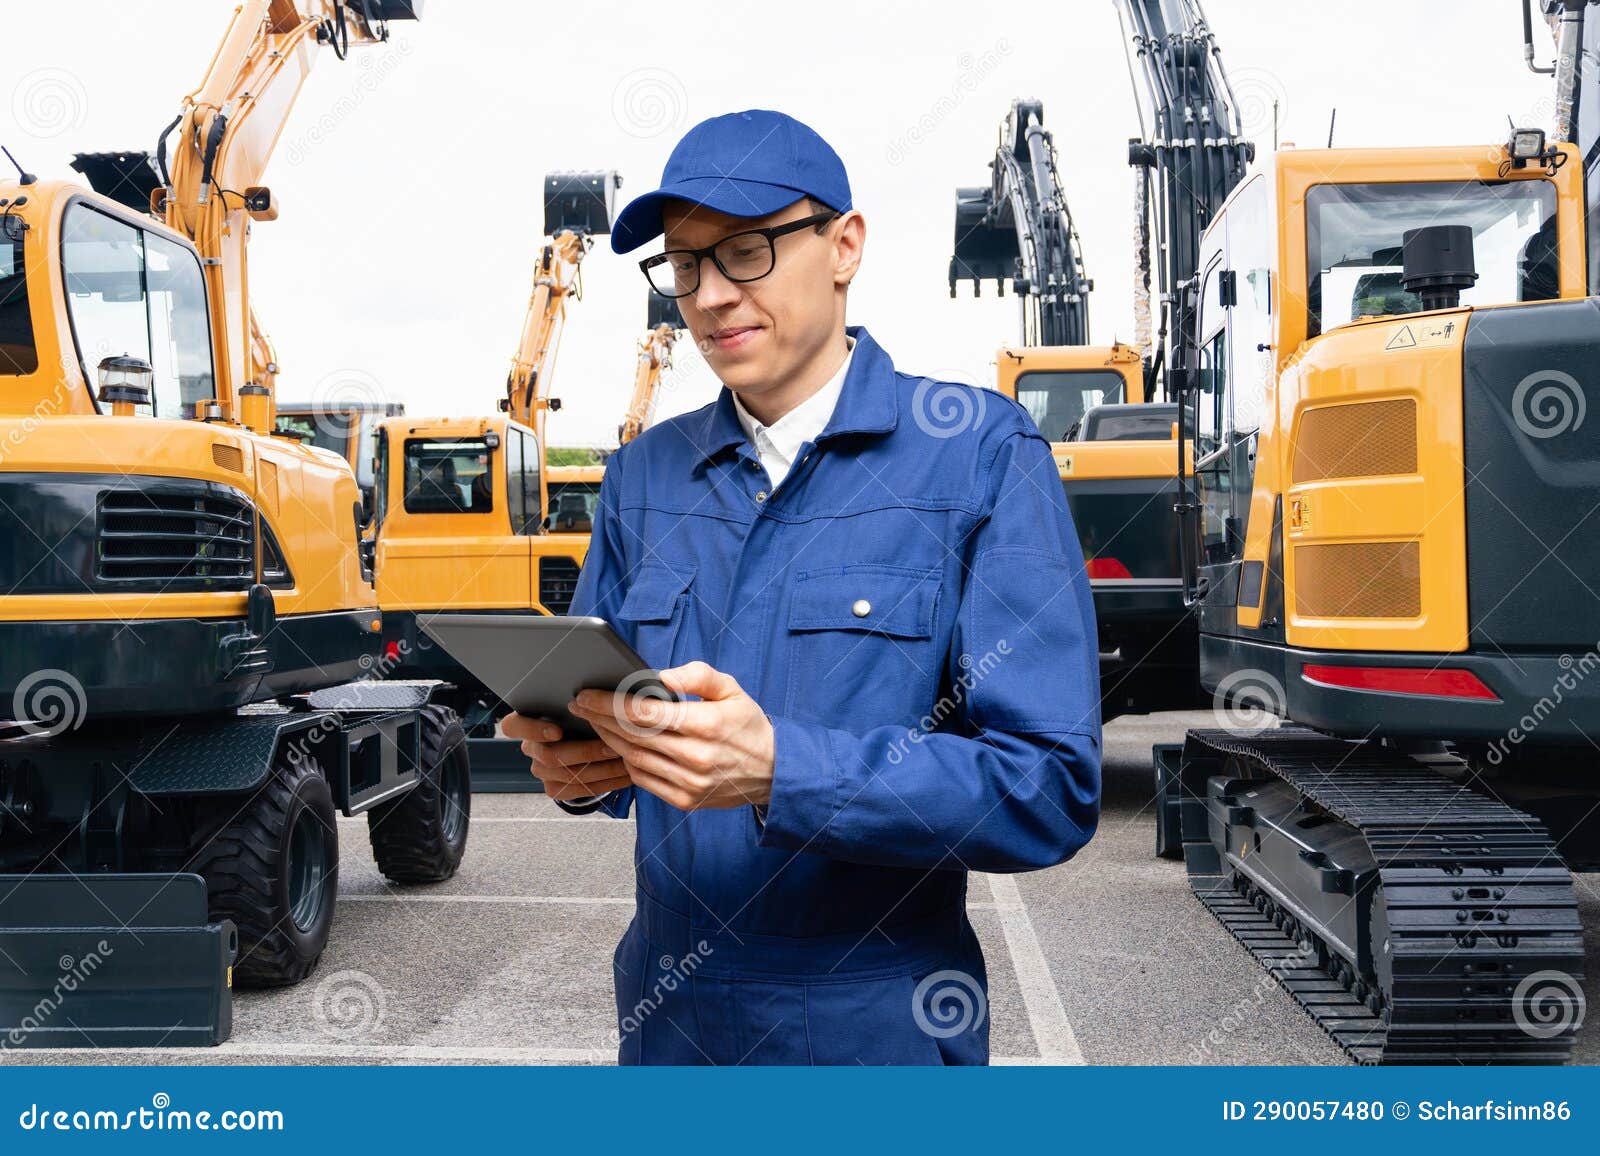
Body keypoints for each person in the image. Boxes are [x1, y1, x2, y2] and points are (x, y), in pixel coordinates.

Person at [502, 109, 1100, 1065]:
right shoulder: (644, 478)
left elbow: (1050, 788)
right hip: (671, 1027)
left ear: (845, 246)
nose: (706, 297)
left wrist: (787, 771)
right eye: (685, 266)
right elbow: (612, 727)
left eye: (744, 251)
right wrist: (581, 768)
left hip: (874, 1028)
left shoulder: (978, 457)